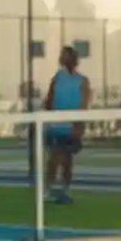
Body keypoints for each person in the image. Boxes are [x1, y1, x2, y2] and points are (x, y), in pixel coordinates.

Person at [42, 46, 91, 204]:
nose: (65, 59)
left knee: (67, 161)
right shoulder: (57, 78)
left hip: (71, 127)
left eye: (67, 56)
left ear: (74, 60)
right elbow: (49, 100)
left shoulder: (82, 81)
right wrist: (48, 118)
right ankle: (47, 190)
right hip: (56, 126)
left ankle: (65, 190)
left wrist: (79, 125)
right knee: (54, 159)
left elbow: (84, 103)